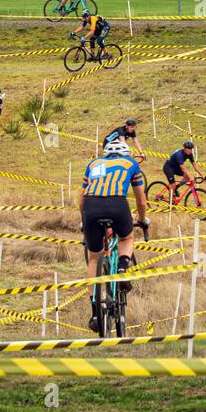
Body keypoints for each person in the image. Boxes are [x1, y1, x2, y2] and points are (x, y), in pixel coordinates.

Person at [78, 140, 145, 332]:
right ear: (126, 153)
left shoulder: (93, 163)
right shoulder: (131, 163)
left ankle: (94, 312)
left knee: (94, 258)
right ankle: (123, 269)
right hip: (117, 204)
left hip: (91, 206)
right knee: (127, 238)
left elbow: (81, 198)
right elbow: (141, 199)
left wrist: (83, 219)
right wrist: (142, 219)